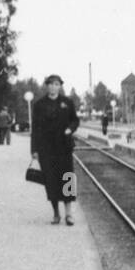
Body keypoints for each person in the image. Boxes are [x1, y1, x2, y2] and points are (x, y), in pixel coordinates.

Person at [30, 75, 80, 225]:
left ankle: (69, 214)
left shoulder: (67, 103)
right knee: (50, 180)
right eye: (50, 84)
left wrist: (70, 130)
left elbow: (75, 120)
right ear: (47, 86)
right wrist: (34, 150)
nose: (53, 87)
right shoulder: (39, 105)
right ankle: (56, 213)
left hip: (64, 147)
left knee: (67, 178)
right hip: (46, 148)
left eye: (56, 84)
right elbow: (35, 128)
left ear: (60, 86)